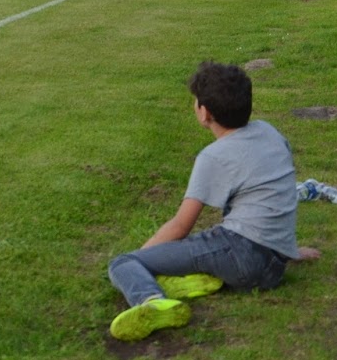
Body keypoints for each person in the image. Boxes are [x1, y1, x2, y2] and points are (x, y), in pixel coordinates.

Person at [107, 62, 314, 341]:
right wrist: (288, 249)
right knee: (204, 254)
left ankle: (151, 299)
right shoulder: (269, 132)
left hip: (240, 255)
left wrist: (143, 258)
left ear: (204, 112)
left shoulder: (213, 156)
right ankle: (183, 282)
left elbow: (181, 225)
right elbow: (278, 194)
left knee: (123, 264)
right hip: (274, 267)